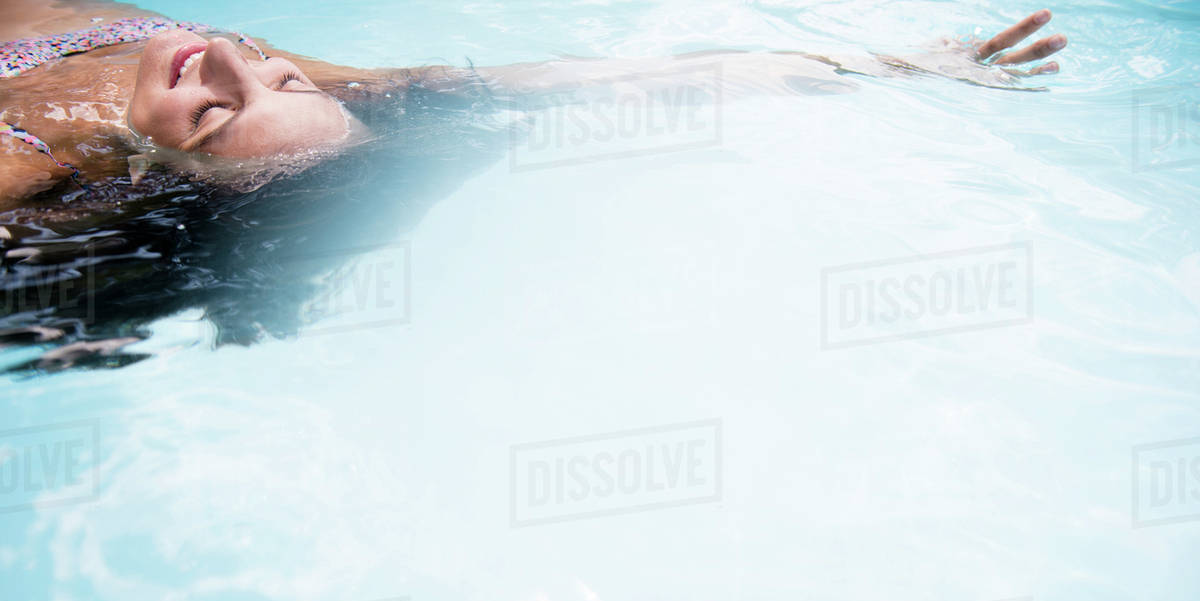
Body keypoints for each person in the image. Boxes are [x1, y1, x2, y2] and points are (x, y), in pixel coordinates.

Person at [1, 0, 1068, 207]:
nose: (232, 59)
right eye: (279, 77)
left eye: (215, 114)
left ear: (156, 170)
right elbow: (587, 81)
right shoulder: (318, 83)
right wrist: (896, 68)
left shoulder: (34, 160)